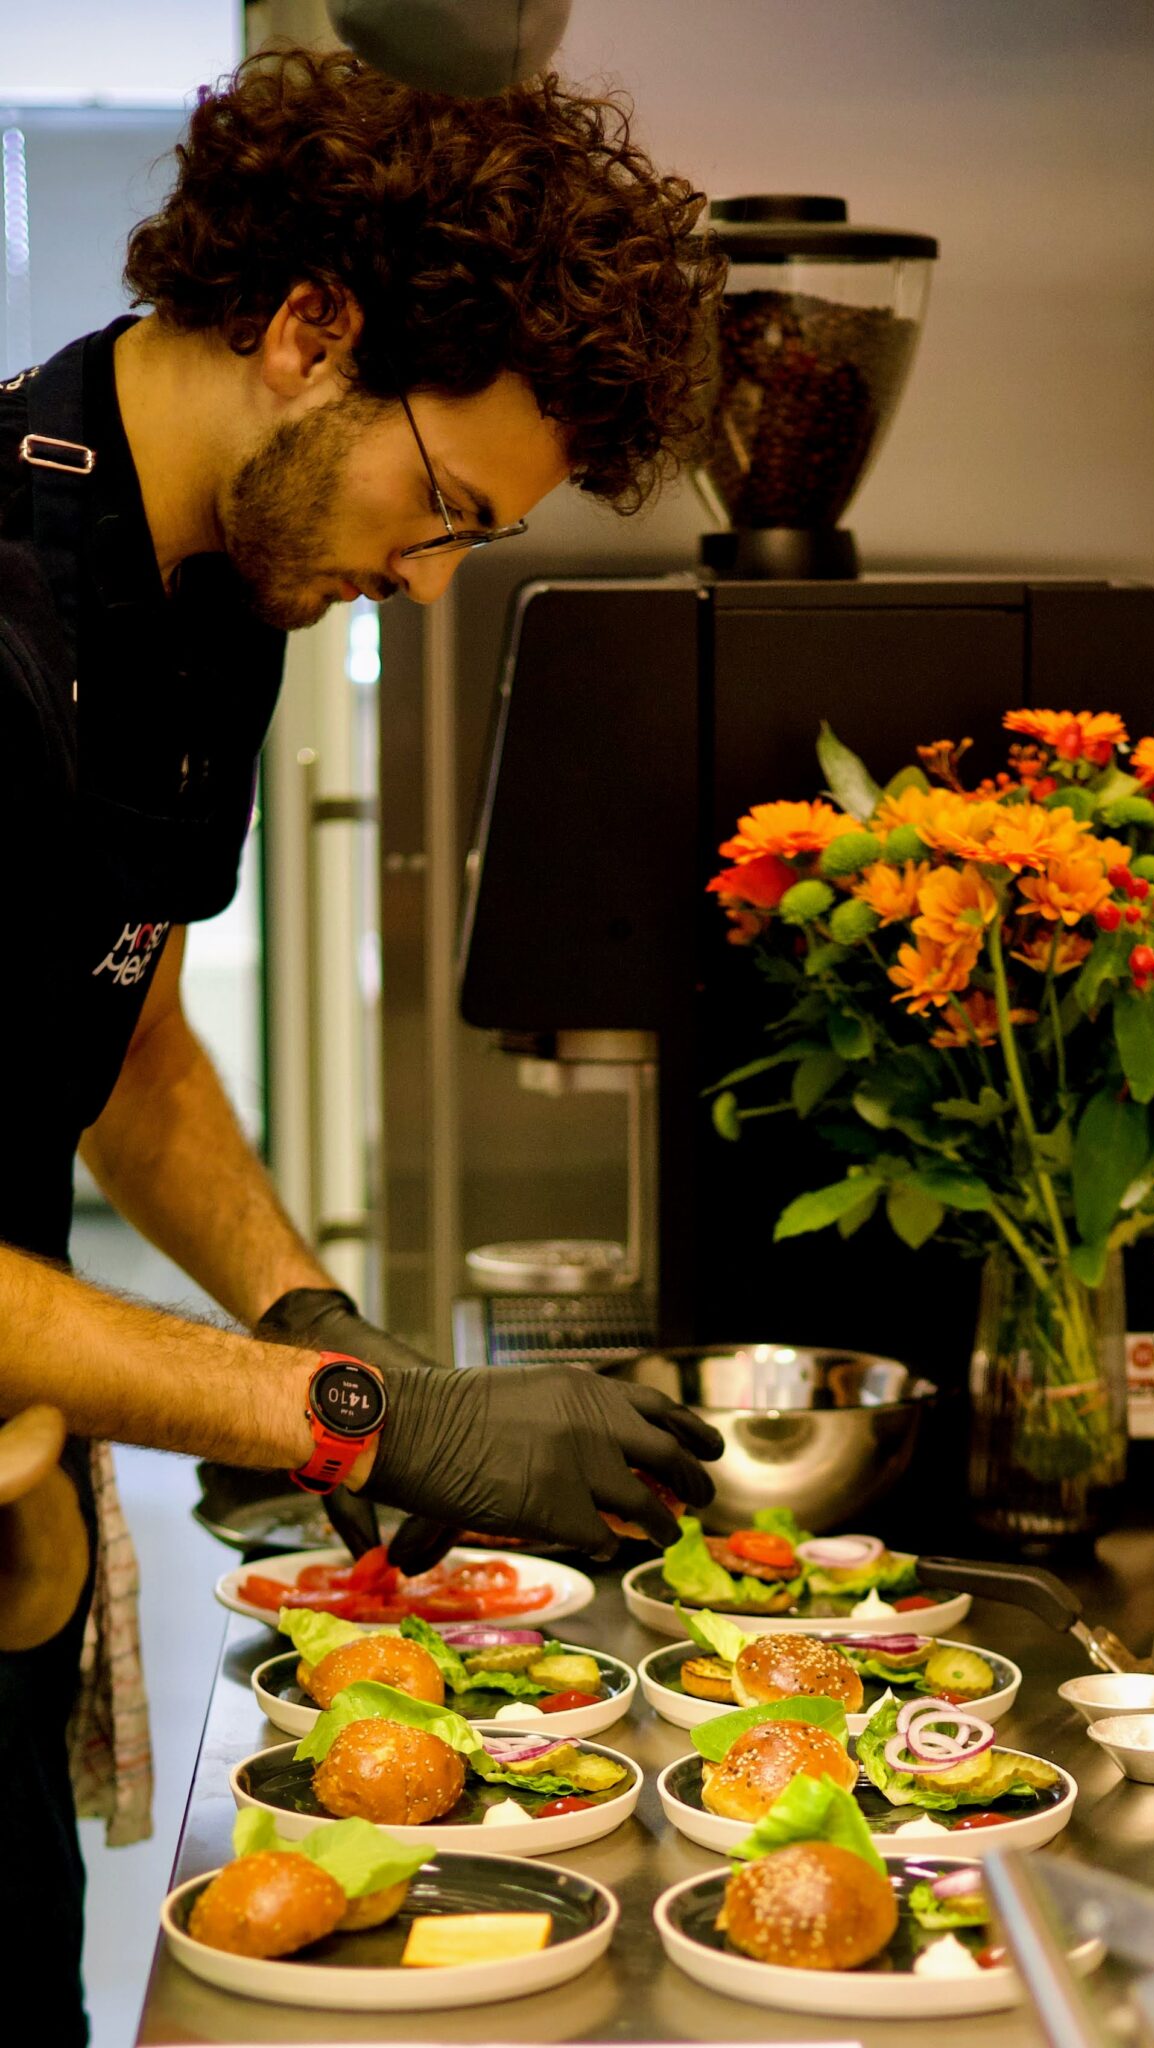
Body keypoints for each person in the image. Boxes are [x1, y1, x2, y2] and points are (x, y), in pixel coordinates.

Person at [0, 46, 725, 2041]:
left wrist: (314, 1313)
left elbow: (124, 1038)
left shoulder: (215, 594)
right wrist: (362, 1425)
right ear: (308, 329)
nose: (417, 579)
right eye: (444, 509)